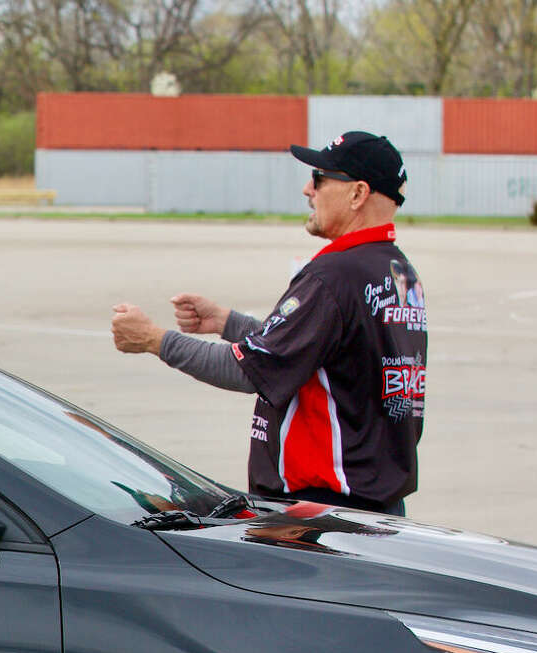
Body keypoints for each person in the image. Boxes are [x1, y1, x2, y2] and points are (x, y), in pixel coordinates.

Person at [109, 131, 425, 515]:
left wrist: (152, 339)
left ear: (357, 194)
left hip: (325, 514)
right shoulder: (394, 269)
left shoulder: (335, 275)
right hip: (379, 506)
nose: (308, 188)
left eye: (320, 178)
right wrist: (227, 322)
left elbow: (250, 370)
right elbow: (314, 349)